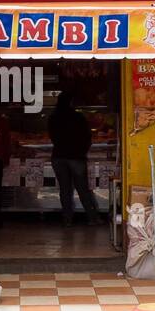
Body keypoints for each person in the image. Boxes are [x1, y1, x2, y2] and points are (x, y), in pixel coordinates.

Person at [48, 91, 98, 226]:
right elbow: (87, 136)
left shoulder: (53, 118)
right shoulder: (78, 117)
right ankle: (92, 218)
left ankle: (67, 219)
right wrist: (83, 151)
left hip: (58, 156)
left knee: (64, 189)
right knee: (82, 188)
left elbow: (52, 136)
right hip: (76, 157)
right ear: (71, 102)